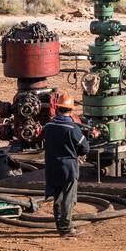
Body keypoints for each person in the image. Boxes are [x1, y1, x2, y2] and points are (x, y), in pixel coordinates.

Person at [43, 93, 89, 237]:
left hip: (51, 167)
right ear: (70, 110)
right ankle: (66, 228)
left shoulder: (48, 126)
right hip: (68, 169)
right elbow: (85, 148)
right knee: (68, 198)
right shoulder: (72, 128)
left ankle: (59, 224)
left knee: (57, 197)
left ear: (57, 108)